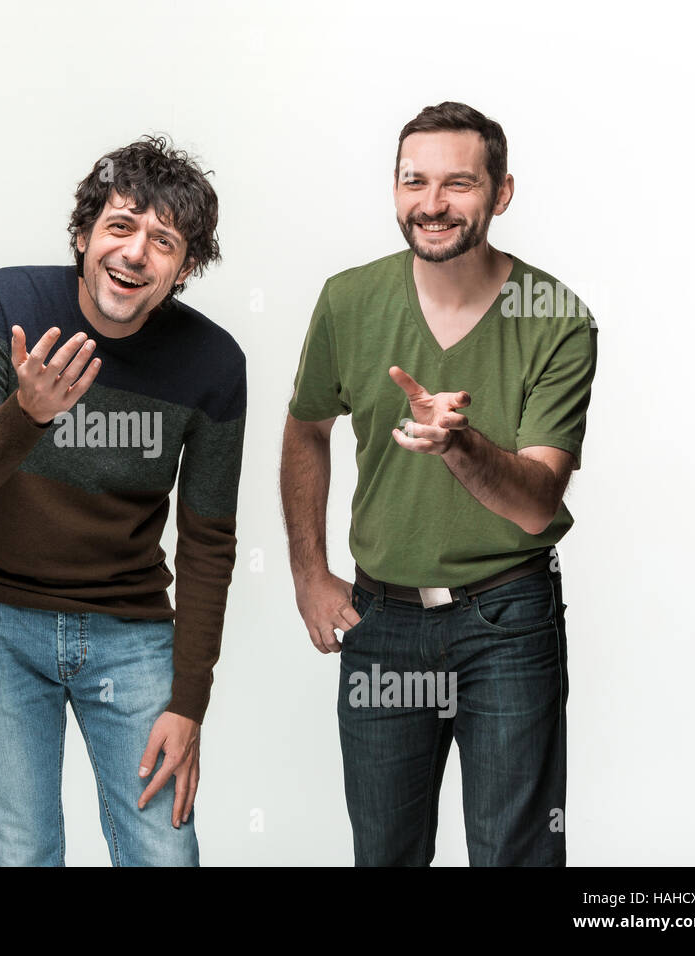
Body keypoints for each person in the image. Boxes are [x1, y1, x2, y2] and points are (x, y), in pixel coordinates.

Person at [281, 102, 597, 866]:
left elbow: (536, 503)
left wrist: (457, 447)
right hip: (380, 624)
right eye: (413, 182)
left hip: (507, 624)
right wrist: (308, 572)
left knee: (510, 853)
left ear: (502, 192)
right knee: (384, 854)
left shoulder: (555, 315)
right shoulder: (349, 300)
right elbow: (306, 428)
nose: (431, 203)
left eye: (458, 183)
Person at [0, 135, 245, 866]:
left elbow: (207, 543)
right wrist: (26, 415)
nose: (135, 253)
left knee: (164, 850)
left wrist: (188, 700)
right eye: (121, 226)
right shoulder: (7, 302)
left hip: (131, 637)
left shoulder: (215, 363)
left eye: (163, 241)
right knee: (22, 852)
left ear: (185, 267)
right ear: (84, 235)